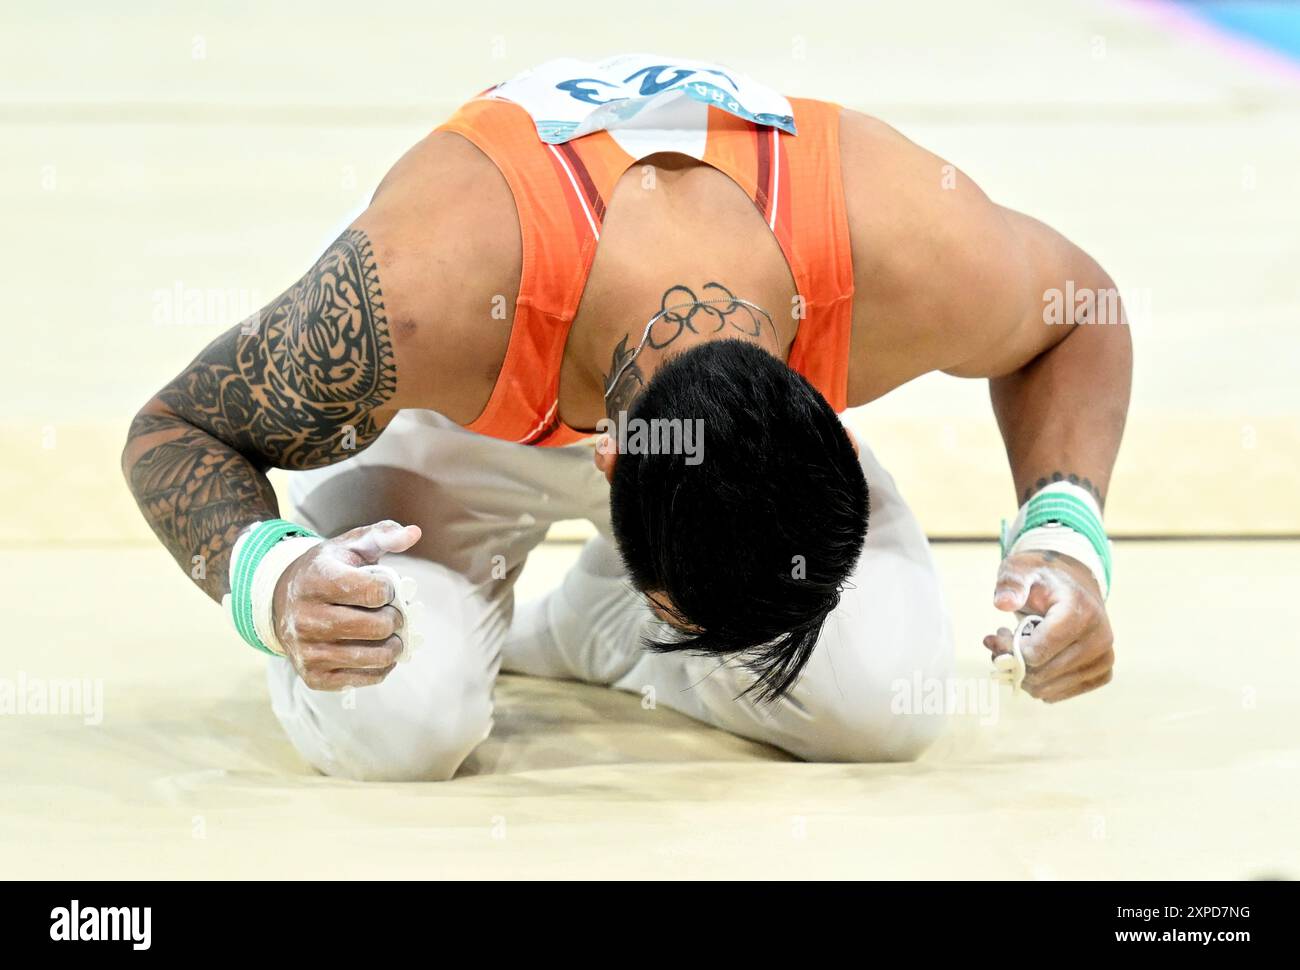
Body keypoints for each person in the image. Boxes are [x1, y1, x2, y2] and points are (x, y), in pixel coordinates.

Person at [121, 54, 1129, 781]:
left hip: (650, 398)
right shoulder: (416, 296)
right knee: (399, 727)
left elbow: (1079, 317)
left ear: (825, 405)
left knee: (882, 705)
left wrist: (1065, 535)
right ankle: (553, 616)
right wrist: (276, 579)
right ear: (608, 465)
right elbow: (172, 428)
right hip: (458, 412)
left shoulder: (907, 244)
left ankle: (594, 628)